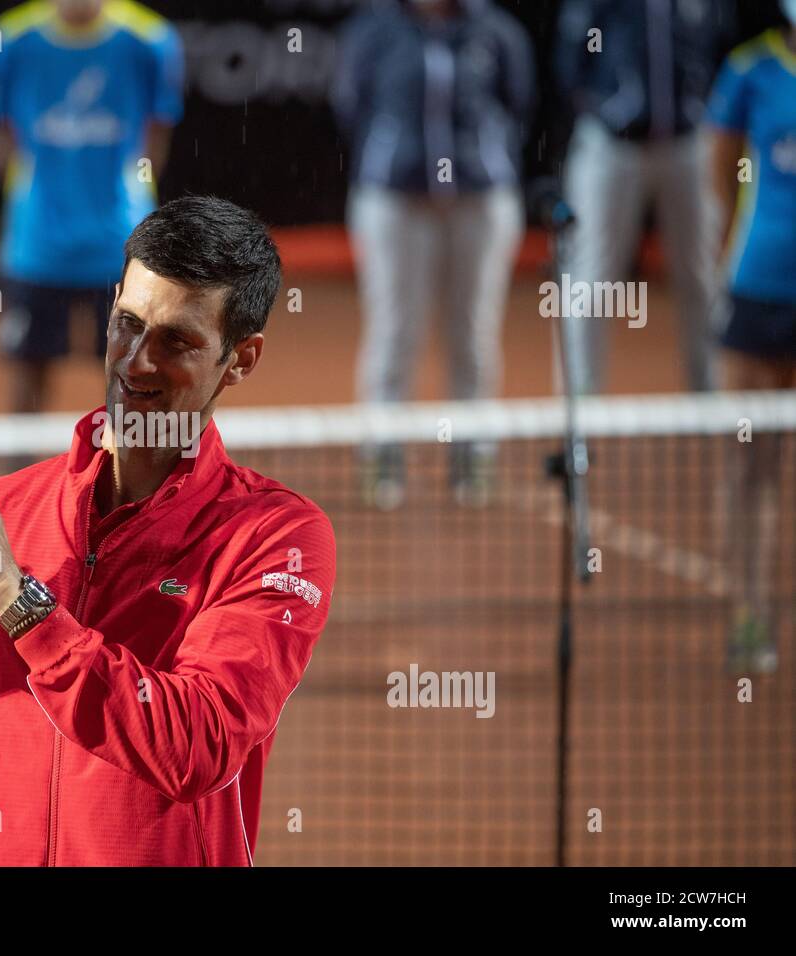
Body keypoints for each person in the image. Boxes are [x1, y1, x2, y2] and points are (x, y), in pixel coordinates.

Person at [0, 197, 337, 866]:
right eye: (128, 324)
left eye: (177, 341)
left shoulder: (275, 538)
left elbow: (196, 746)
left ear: (241, 358)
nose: (136, 362)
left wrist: (22, 606)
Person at [330, 0, 534, 508]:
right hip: (394, 204)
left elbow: (519, 104)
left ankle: (473, 458)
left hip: (481, 203)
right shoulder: (375, 29)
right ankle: (383, 457)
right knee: (395, 331)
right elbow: (350, 104)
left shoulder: (496, 31)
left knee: (473, 333)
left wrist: (479, 160)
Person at [0, 0, 184, 414]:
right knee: (27, 377)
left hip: (122, 247)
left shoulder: (152, 40)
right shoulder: (8, 40)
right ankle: (25, 478)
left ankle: (126, 479)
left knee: (133, 377)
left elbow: (155, 141)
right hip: (37, 248)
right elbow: (0, 137)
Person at [554, 0, 736, 395]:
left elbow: (724, 54)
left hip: (690, 146)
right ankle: (580, 413)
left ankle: (708, 400)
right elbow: (570, 62)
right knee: (592, 280)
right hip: (611, 147)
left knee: (702, 276)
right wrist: (610, 109)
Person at [704, 7, 796, 675]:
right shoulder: (749, 70)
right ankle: (748, 608)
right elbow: (720, 170)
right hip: (760, 292)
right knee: (750, 463)